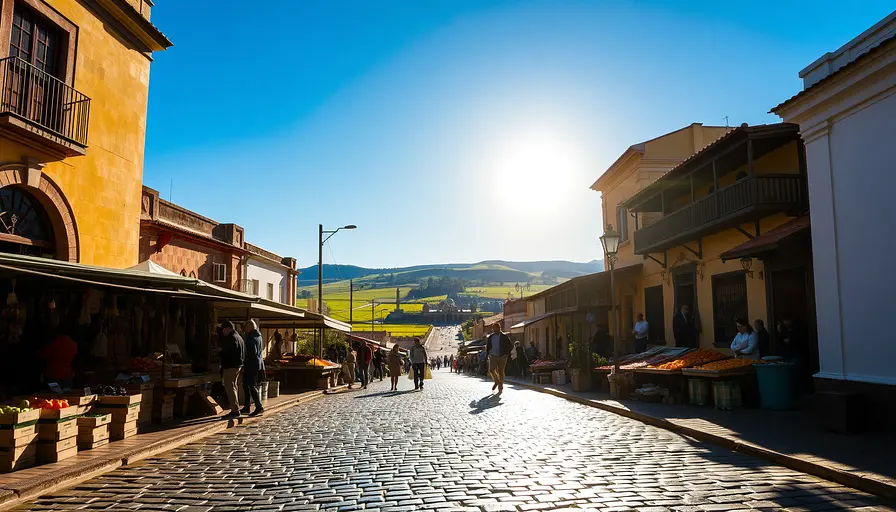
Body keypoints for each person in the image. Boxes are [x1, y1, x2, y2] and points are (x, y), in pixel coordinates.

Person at [218, 321, 246, 420]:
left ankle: (235, 410)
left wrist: (220, 352)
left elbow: (229, 352)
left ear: (227, 328)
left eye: (223, 330)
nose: (222, 332)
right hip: (238, 365)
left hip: (231, 366)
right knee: (234, 387)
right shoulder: (239, 337)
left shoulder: (232, 338)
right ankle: (235, 409)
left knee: (230, 387)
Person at [240, 320, 265, 417]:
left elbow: (251, 352)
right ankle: (247, 406)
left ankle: (258, 406)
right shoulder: (259, 336)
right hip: (257, 364)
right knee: (247, 385)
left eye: (245, 328)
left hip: (251, 365)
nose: (244, 330)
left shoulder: (251, 337)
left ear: (249, 327)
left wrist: (245, 361)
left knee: (250, 385)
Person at [486, 322, 512, 393]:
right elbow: (488, 347)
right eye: (493, 328)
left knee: (501, 371)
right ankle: (497, 382)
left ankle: (501, 385)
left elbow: (510, 346)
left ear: (499, 328)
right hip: (493, 355)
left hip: (502, 356)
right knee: (491, 370)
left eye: (495, 328)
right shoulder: (491, 337)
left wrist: (506, 354)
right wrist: (487, 354)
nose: (494, 330)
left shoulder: (504, 336)